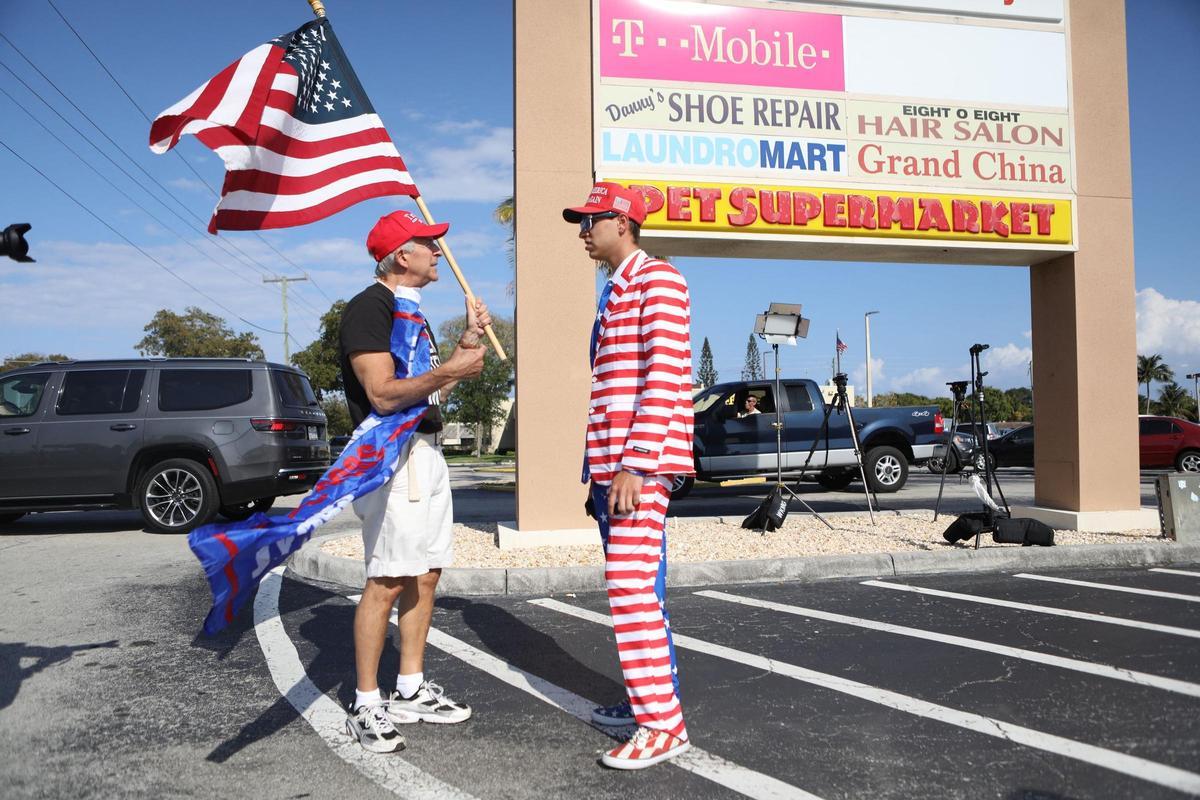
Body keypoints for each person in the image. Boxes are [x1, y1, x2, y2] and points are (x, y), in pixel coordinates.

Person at [339, 209, 491, 753]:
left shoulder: (410, 312)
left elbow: (427, 394)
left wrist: (465, 347)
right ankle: (366, 702)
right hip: (390, 458)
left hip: (425, 452)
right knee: (387, 577)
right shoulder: (369, 308)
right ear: (403, 255)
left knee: (425, 574)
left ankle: (408, 687)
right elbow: (382, 394)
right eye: (430, 243)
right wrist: (452, 370)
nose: (439, 252)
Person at [563, 182, 694, 769]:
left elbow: (665, 375)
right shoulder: (615, 287)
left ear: (623, 222)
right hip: (612, 468)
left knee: (631, 590)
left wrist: (636, 464)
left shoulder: (658, 280)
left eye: (592, 219)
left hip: (637, 467)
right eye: (581, 221)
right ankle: (648, 706)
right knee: (641, 589)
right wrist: (602, 469)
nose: (583, 230)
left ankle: (663, 727)